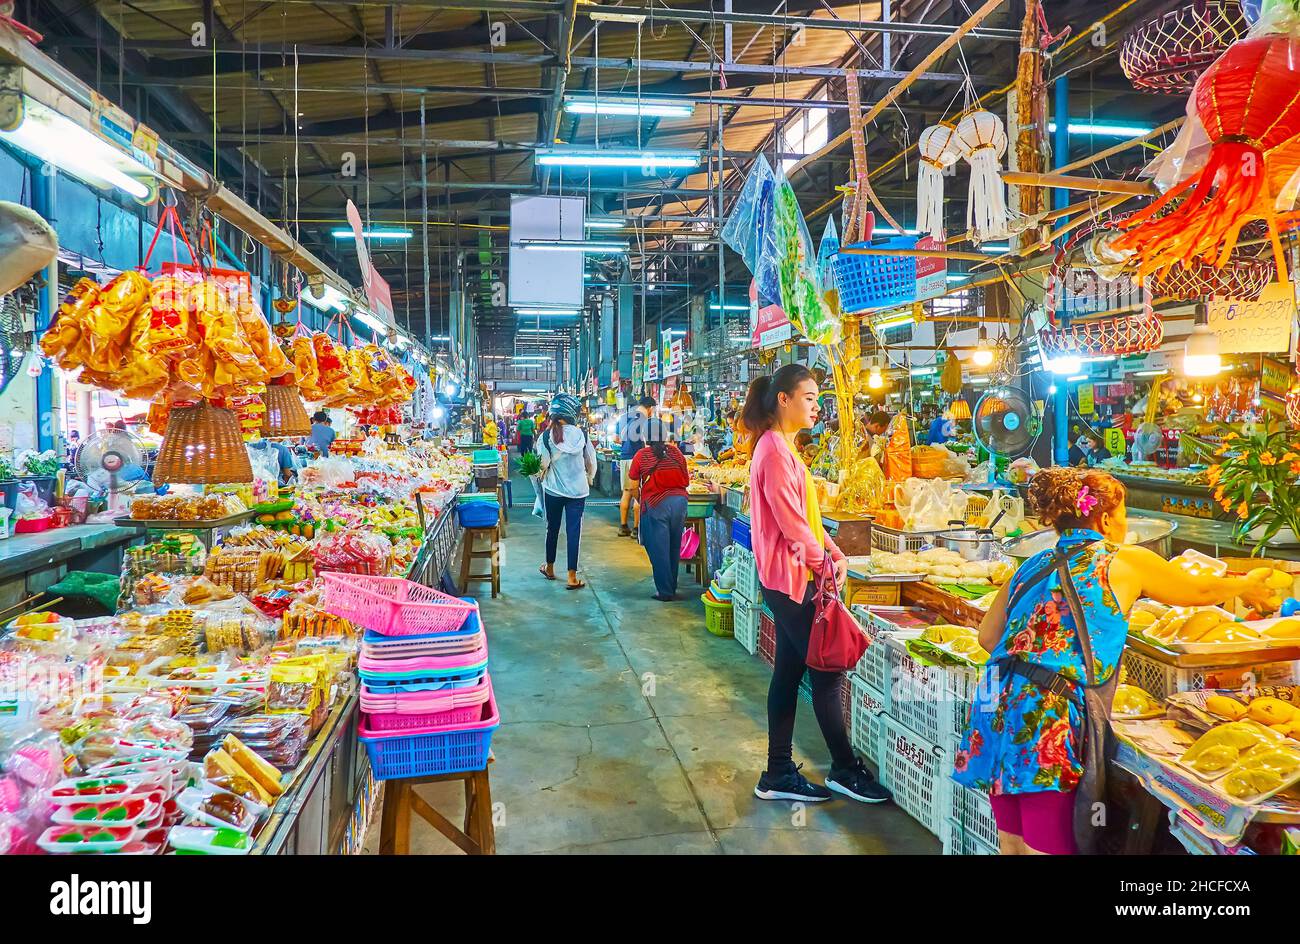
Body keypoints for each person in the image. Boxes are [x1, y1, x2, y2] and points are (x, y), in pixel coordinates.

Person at [953, 467, 1272, 855]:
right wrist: (1247, 585)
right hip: (1044, 714)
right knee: (1047, 848)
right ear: (1105, 519)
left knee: (1013, 843)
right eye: (1123, 516)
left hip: (995, 701)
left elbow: (988, 636)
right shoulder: (1122, 560)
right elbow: (1198, 588)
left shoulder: (1033, 564)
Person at [743, 364, 892, 806]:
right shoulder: (772, 452)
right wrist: (824, 564)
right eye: (809, 397)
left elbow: (806, 518)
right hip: (791, 582)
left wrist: (834, 551)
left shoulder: (785, 448)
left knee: (790, 673)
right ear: (783, 400)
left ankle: (777, 772)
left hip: (794, 578)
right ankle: (845, 770)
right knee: (826, 674)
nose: (817, 405)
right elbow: (792, 526)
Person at [536, 394, 596, 590]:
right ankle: (571, 577)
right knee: (574, 532)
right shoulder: (583, 435)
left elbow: (542, 464)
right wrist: (589, 477)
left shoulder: (546, 436)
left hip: (553, 490)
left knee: (552, 529)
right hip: (578, 492)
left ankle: (550, 568)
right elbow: (591, 463)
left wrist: (540, 472)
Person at [628, 430, 690, 601]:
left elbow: (633, 486)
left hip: (657, 504)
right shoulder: (676, 452)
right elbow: (686, 479)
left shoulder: (642, 455)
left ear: (645, 437)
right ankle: (671, 586)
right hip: (679, 503)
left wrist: (640, 499)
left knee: (658, 548)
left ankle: (664, 591)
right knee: (673, 545)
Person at [617, 396, 655, 538]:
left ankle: (623, 526)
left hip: (624, 456)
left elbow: (618, 437)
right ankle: (636, 529)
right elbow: (646, 443)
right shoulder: (644, 420)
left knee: (627, 492)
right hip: (636, 458)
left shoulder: (626, 417)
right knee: (639, 493)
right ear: (650, 407)